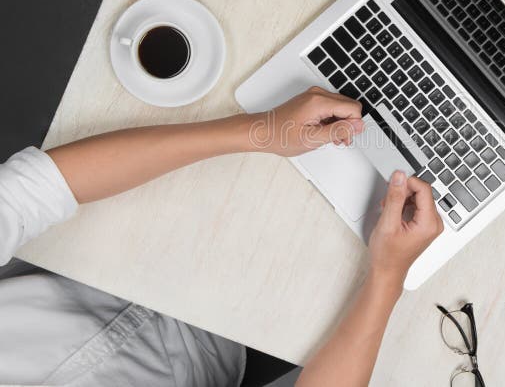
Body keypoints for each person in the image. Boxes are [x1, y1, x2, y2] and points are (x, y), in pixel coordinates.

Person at [0, 86, 443, 386]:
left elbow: (26, 192)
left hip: (102, 230)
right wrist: (388, 274)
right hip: (232, 328)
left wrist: (257, 131)